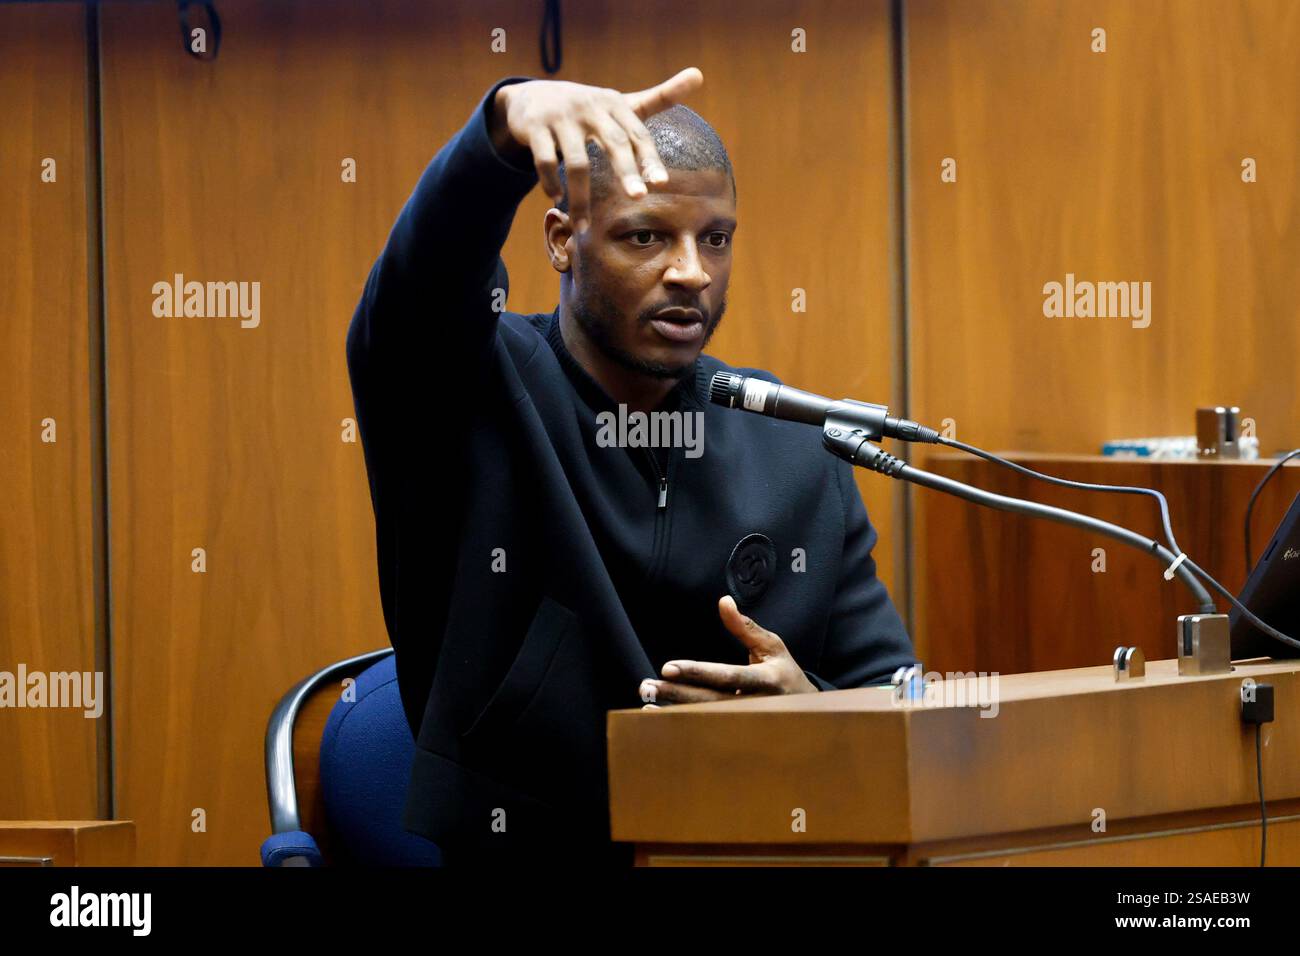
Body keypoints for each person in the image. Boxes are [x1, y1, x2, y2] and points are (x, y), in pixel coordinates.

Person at [345, 67, 917, 865]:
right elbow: (420, 284)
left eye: (714, 238)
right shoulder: (470, 383)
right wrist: (500, 134)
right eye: (645, 235)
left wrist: (810, 710)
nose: (691, 271)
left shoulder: (789, 439)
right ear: (560, 240)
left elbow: (897, 700)